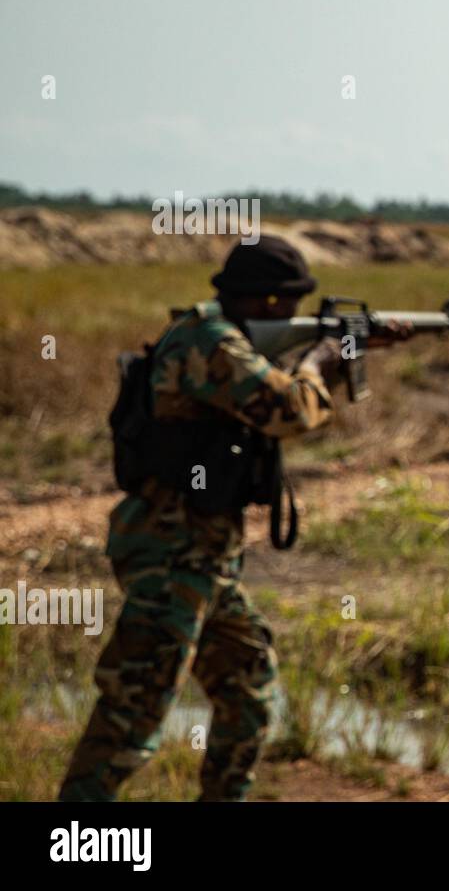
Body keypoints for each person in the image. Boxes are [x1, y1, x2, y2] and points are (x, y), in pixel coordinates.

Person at [60, 235, 343, 801]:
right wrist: (323, 362)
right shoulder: (209, 341)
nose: (293, 315)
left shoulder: (225, 338)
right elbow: (288, 410)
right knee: (137, 707)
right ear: (264, 303)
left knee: (248, 689)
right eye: (287, 305)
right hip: (172, 553)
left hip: (205, 557)